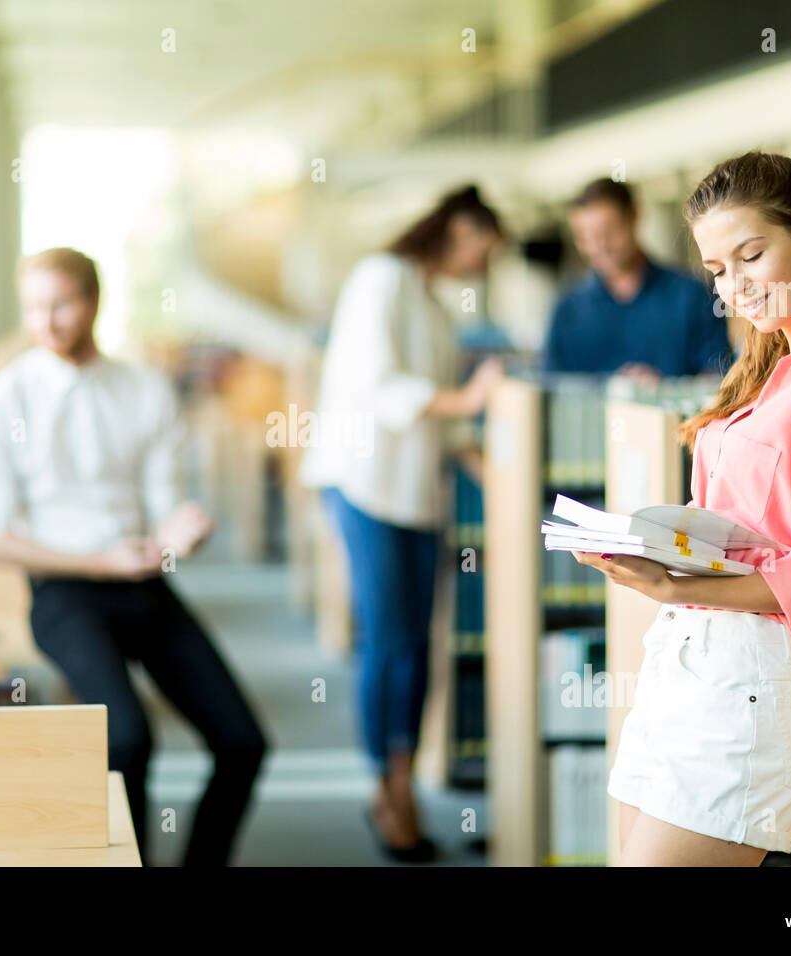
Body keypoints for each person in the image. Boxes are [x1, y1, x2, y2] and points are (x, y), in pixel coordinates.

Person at [572, 151, 791, 865]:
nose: (734, 286)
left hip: (740, 700)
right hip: (679, 676)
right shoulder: (771, 373)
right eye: (718, 271)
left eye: (750, 255)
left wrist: (675, 582)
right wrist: (663, 549)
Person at [0, 246, 268, 867]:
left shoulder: (143, 390)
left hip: (144, 581)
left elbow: (164, 506)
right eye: (34, 309)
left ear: (94, 303)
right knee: (126, 739)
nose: (46, 323)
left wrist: (181, 531)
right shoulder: (2, 403)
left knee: (242, 743)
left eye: (61, 305)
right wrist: (99, 563)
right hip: (64, 590)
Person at [300, 185, 505, 862]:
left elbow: (441, 426)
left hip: (418, 493)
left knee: (420, 645)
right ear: (456, 228)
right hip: (366, 486)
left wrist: (500, 474)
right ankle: (385, 789)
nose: (484, 264)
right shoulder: (379, 278)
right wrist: (469, 397)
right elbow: (378, 384)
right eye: (483, 247)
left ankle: (403, 779)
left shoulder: (433, 303)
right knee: (388, 639)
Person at [543, 177, 734, 381]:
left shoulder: (693, 296)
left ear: (634, 217)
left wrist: (664, 390)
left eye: (608, 231)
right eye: (586, 237)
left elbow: (719, 380)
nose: (600, 246)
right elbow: (552, 388)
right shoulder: (568, 311)